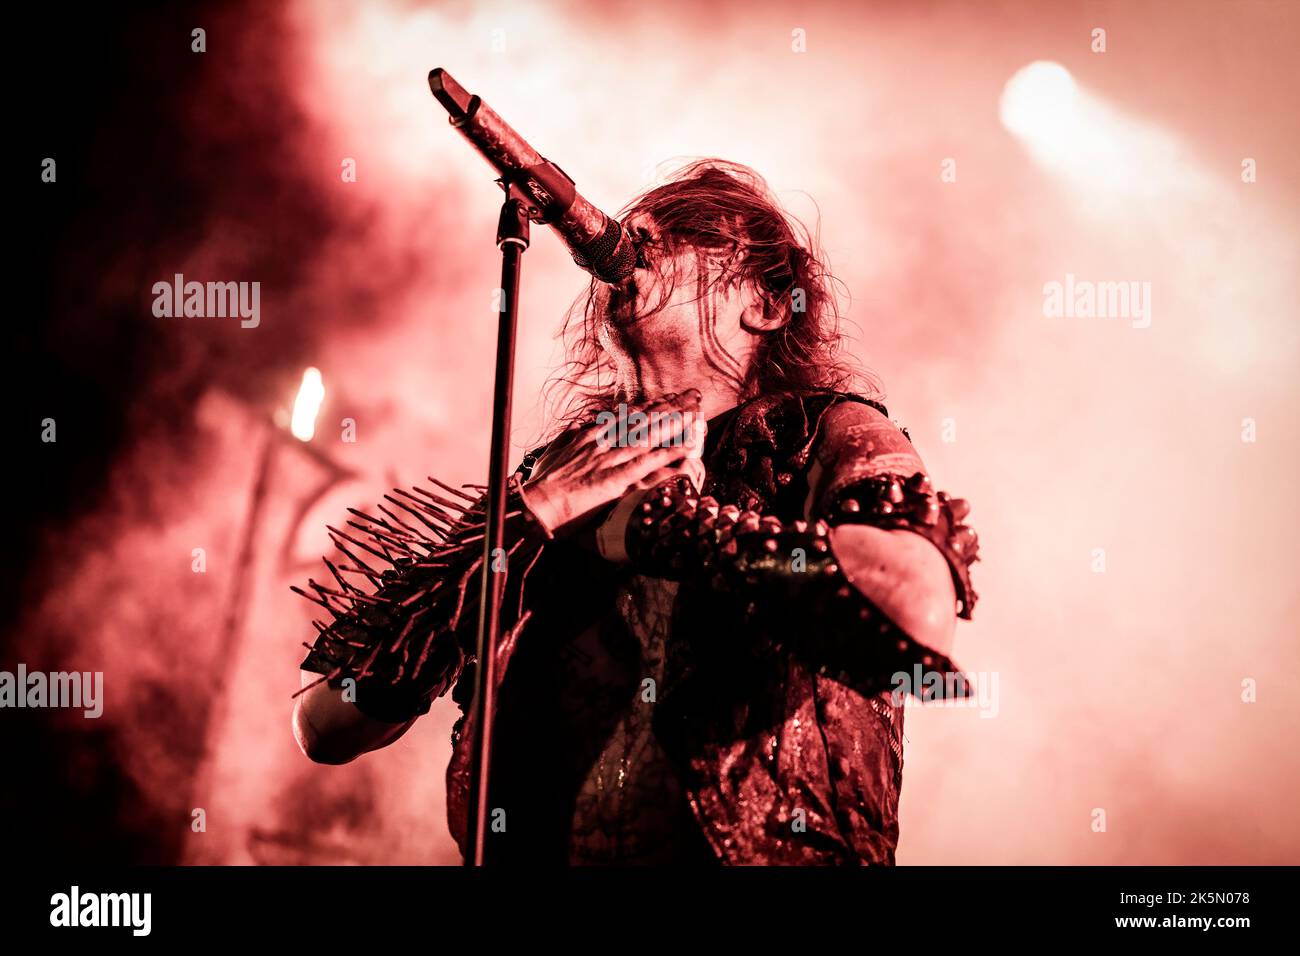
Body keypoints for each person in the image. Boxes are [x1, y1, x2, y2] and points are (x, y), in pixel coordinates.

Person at [292, 159, 980, 864]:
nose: (637, 239)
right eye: (639, 228)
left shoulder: (822, 435)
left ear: (768, 305)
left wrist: (661, 529)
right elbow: (325, 725)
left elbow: (917, 607)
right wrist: (526, 525)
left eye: (689, 234)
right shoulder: (549, 481)